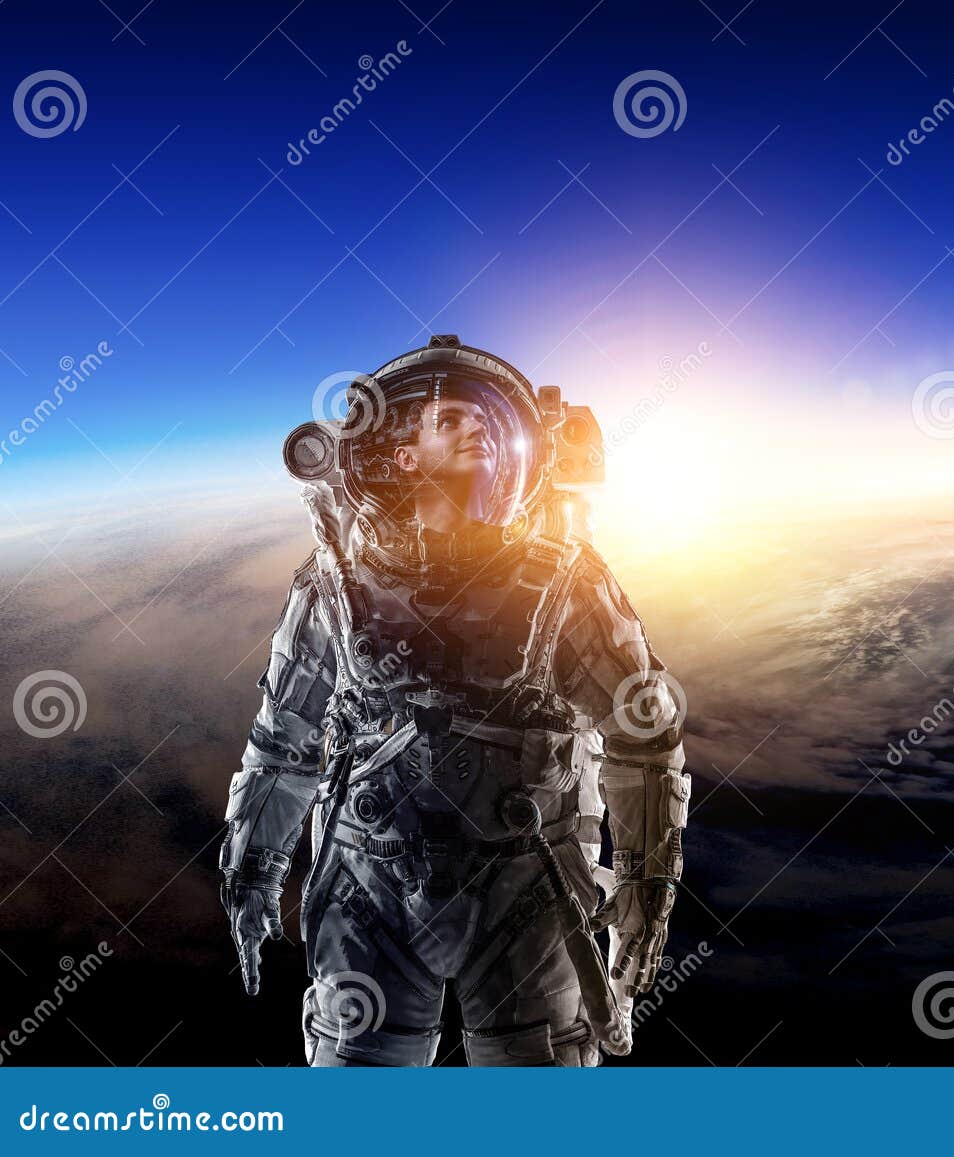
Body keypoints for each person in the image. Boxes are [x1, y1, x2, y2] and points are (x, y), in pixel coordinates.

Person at [219, 336, 688, 1065]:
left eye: (488, 421)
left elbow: (643, 742)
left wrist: (643, 895)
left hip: (526, 889)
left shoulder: (564, 583)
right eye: (452, 419)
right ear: (402, 456)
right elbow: (284, 741)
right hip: (366, 889)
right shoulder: (336, 585)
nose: (479, 429)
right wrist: (252, 871)